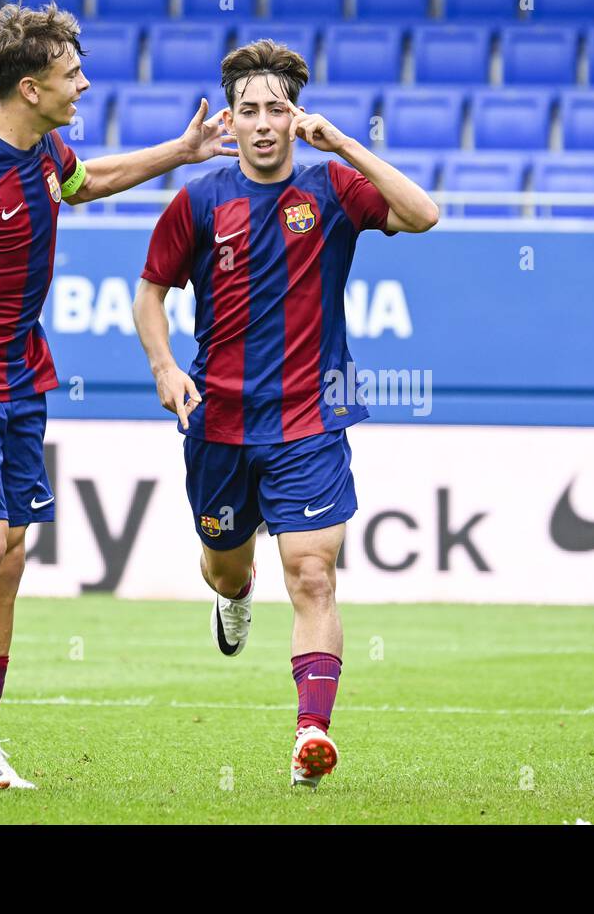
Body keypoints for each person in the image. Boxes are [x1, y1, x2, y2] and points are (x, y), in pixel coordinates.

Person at [0, 2, 236, 789]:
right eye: (70, 75)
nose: (83, 84)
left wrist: (185, 151)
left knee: (16, 552)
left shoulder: (45, 150)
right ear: (29, 87)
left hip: (21, 374)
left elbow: (89, 182)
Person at [132, 39, 439, 788]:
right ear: (229, 122)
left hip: (311, 418)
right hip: (219, 422)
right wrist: (166, 367)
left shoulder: (332, 188)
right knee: (227, 567)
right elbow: (150, 293)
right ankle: (232, 600)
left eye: (277, 109)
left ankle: (312, 733)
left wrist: (343, 142)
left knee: (311, 574)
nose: (263, 123)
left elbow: (423, 214)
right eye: (249, 111)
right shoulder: (200, 201)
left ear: (295, 115)